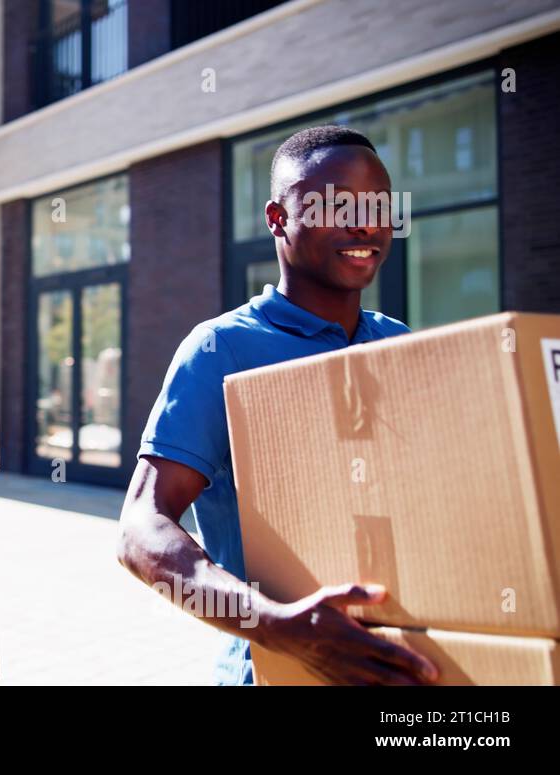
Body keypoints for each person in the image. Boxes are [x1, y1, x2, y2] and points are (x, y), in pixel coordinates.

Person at [116, 125, 441, 686]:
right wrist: (280, 626)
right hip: (272, 671)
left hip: (400, 667)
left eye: (378, 205)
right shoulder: (222, 348)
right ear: (277, 219)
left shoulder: (401, 345)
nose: (364, 223)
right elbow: (140, 531)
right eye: (336, 205)